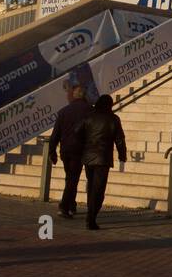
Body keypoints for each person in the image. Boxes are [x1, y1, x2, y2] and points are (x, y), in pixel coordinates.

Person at [70, 94, 126, 230]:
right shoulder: (113, 119)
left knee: (91, 185)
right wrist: (122, 155)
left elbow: (76, 131)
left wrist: (83, 144)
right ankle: (91, 217)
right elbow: (119, 139)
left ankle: (90, 212)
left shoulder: (89, 116)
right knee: (99, 189)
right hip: (103, 158)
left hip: (88, 156)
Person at [49, 83, 93, 219]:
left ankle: (71, 205)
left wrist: (52, 152)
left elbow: (55, 134)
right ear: (84, 95)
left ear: (73, 95)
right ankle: (64, 206)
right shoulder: (90, 110)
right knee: (72, 179)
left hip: (65, 150)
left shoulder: (63, 111)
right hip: (79, 150)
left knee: (70, 177)